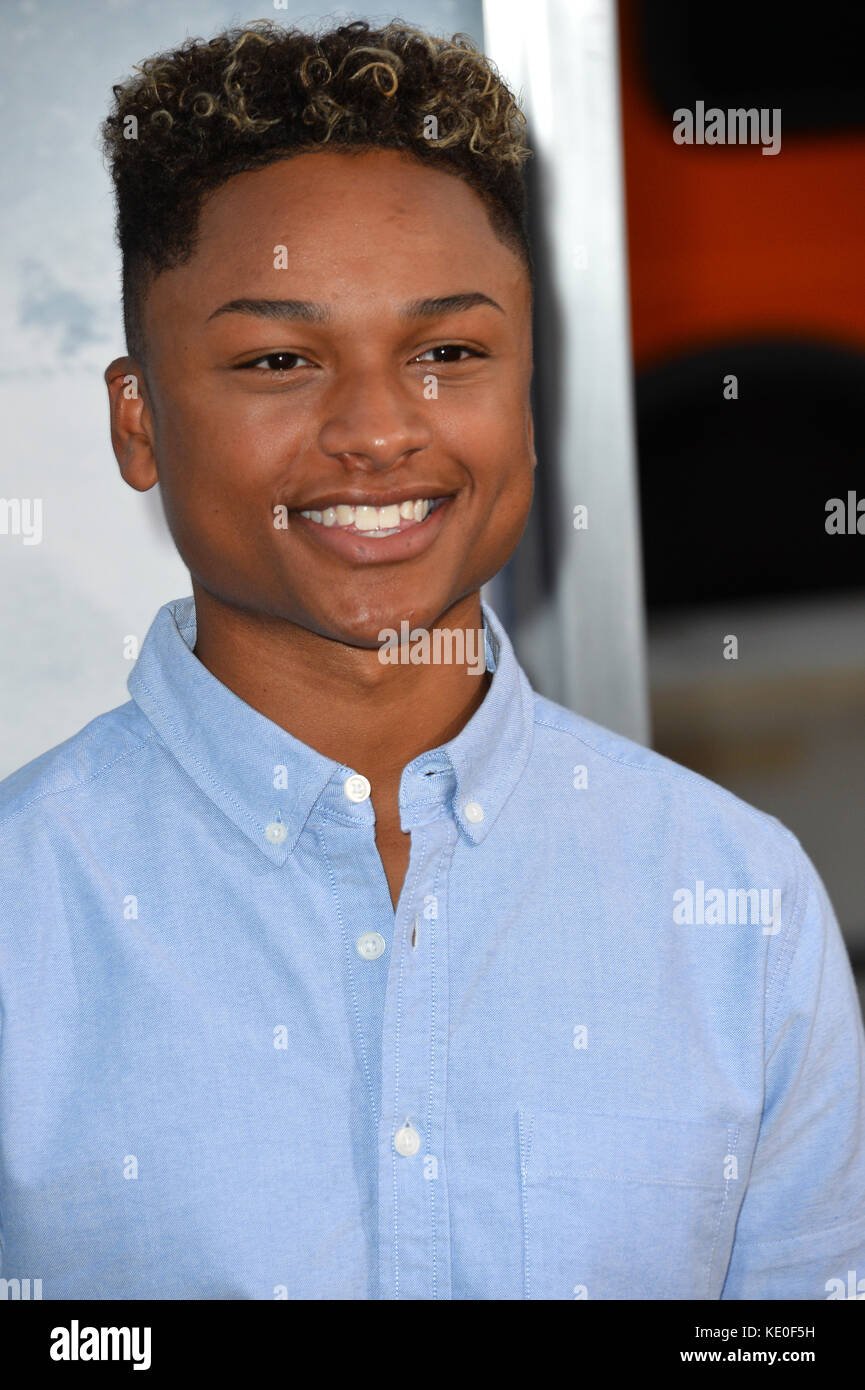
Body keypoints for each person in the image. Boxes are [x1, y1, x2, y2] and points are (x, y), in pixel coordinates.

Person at [0, 18, 862, 1301]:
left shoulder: (740, 902)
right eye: (279, 360)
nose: (374, 430)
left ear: (525, 389)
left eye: (448, 352)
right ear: (141, 419)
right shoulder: (25, 921)